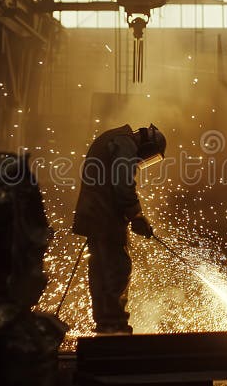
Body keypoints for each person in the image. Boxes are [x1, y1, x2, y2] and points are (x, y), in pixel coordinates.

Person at [72, 124, 167, 335]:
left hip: (96, 215)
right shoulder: (124, 142)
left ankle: (106, 324)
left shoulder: (114, 138)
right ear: (147, 145)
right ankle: (115, 326)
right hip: (105, 217)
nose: (143, 161)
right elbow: (123, 182)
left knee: (101, 271)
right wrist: (136, 215)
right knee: (117, 268)